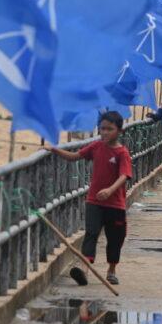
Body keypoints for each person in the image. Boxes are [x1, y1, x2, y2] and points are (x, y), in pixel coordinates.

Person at [45, 110, 132, 285]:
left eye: (109, 129)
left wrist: (110, 190)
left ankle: (111, 269)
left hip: (115, 204)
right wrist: (54, 150)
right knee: (91, 233)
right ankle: (84, 269)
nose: (105, 132)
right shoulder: (96, 147)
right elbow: (75, 157)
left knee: (115, 238)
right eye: (102, 129)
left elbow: (124, 176)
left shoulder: (122, 153)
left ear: (119, 131)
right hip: (94, 201)